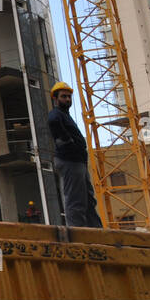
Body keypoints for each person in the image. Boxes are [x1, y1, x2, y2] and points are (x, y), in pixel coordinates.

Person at [47, 81, 103, 228]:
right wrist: (67, 141)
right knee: (76, 200)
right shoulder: (56, 114)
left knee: (88, 200)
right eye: (64, 96)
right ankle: (78, 233)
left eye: (69, 97)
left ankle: (97, 232)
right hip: (69, 161)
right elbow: (53, 122)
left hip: (78, 162)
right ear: (55, 98)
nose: (67, 99)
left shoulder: (65, 115)